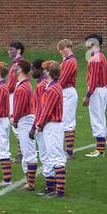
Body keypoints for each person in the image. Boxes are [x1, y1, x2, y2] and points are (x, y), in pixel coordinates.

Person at [32, 60, 67, 197]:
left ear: (48, 72)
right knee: (51, 155)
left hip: (53, 125)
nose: (43, 71)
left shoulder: (52, 88)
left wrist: (39, 125)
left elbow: (47, 110)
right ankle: (53, 188)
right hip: (50, 125)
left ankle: (59, 190)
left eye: (44, 70)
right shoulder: (51, 86)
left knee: (56, 157)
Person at [10, 58, 40, 191]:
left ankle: (31, 183)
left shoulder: (22, 87)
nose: (14, 68)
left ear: (21, 69)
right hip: (24, 119)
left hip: (25, 120)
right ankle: (29, 180)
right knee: (26, 151)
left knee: (29, 152)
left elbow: (20, 107)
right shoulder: (22, 84)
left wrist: (14, 119)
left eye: (16, 66)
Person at [84, 34, 107, 156]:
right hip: (102, 89)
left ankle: (99, 150)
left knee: (96, 118)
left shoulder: (94, 58)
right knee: (101, 118)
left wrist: (88, 95)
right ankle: (101, 147)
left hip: (96, 90)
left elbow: (93, 78)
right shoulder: (102, 56)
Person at [55, 39, 78, 156]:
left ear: (69, 47)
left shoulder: (70, 61)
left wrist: (54, 90)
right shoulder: (67, 61)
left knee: (68, 121)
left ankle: (69, 151)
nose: (63, 51)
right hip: (64, 91)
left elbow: (63, 79)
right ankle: (67, 150)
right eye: (61, 50)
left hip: (67, 92)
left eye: (64, 48)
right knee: (63, 120)